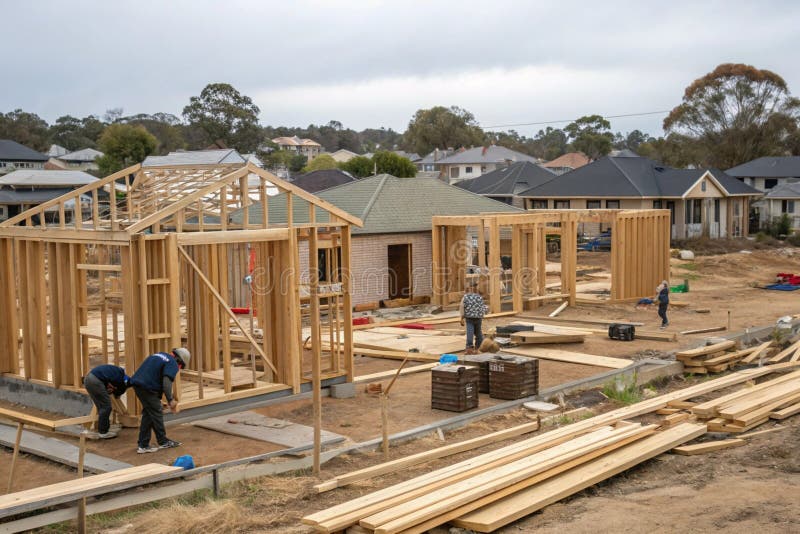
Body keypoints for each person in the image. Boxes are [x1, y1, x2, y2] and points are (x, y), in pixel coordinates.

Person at [130, 348, 190, 454]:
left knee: (149, 413)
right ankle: (162, 441)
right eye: (180, 366)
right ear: (179, 360)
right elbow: (166, 382)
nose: (179, 368)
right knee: (156, 412)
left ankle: (143, 445)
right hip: (147, 387)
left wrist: (158, 399)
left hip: (138, 384)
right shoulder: (172, 363)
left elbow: (152, 375)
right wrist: (170, 400)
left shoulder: (160, 355)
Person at [83, 364, 130, 439]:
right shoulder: (120, 379)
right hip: (95, 381)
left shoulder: (116, 373)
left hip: (88, 380)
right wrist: (116, 393)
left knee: (101, 407)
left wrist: (108, 389)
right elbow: (118, 391)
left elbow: (107, 383)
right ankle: (103, 432)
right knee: (106, 407)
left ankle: (102, 430)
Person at [460, 283, 486, 355]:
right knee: (478, 333)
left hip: (469, 318)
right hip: (478, 318)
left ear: (469, 288)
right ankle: (479, 347)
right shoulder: (479, 297)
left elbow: (462, 307)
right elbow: (483, 307)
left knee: (470, 333)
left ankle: (469, 348)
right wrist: (482, 315)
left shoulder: (466, 297)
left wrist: (462, 318)